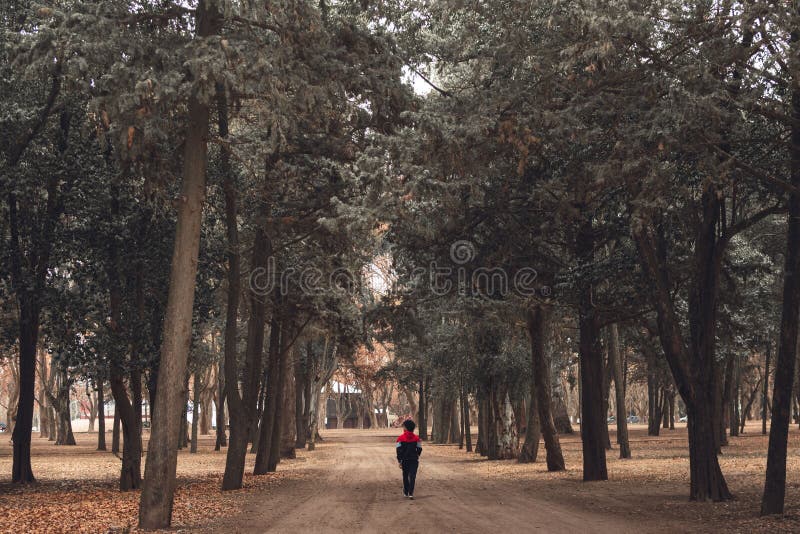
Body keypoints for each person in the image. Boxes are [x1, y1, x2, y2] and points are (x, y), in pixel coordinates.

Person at [396, 419, 422, 499]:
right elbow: (419, 449)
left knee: (405, 475)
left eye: (403, 426)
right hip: (414, 460)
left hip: (405, 460)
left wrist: (399, 460)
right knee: (413, 476)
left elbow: (398, 451)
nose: (403, 428)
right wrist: (417, 455)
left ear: (406, 428)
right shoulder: (417, 438)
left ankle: (406, 491)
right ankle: (411, 493)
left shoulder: (400, 438)